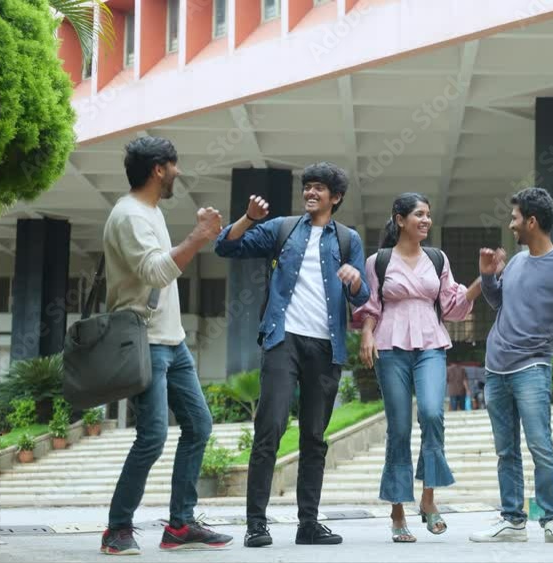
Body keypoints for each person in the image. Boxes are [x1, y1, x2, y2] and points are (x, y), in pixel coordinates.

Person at [214, 162, 370, 548]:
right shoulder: (282, 228)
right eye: (308, 187)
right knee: (270, 429)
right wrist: (248, 219)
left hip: (326, 347)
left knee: (315, 437)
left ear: (336, 197)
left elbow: (364, 298)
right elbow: (226, 246)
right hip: (283, 340)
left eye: (319, 188)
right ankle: (256, 523)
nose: (310, 193)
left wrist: (355, 282)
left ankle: (308, 524)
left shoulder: (348, 239)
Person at [100, 136, 233, 555]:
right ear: (159, 169)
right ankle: (117, 528)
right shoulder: (129, 216)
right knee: (153, 436)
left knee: (199, 425)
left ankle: (180, 525)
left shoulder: (150, 211)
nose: (178, 172)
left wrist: (197, 237)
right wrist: (197, 237)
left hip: (172, 342)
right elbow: (157, 272)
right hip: (145, 342)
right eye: (174, 166)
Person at [469, 187, 553, 544]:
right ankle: (513, 520)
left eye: (515, 218)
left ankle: (551, 518)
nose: (511, 224)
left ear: (532, 221)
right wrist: (487, 277)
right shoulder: (516, 261)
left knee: (539, 444)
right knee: (506, 450)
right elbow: (499, 301)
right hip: (496, 368)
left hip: (532, 367)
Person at [353, 192, 482, 543]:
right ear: (399, 220)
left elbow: (454, 306)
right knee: (399, 427)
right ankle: (397, 512)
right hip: (389, 346)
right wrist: (366, 334)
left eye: (428, 215)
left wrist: (481, 281)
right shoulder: (378, 260)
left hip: (430, 345)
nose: (425, 220)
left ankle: (428, 499)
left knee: (431, 413)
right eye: (418, 215)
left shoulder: (437, 259)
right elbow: (370, 305)